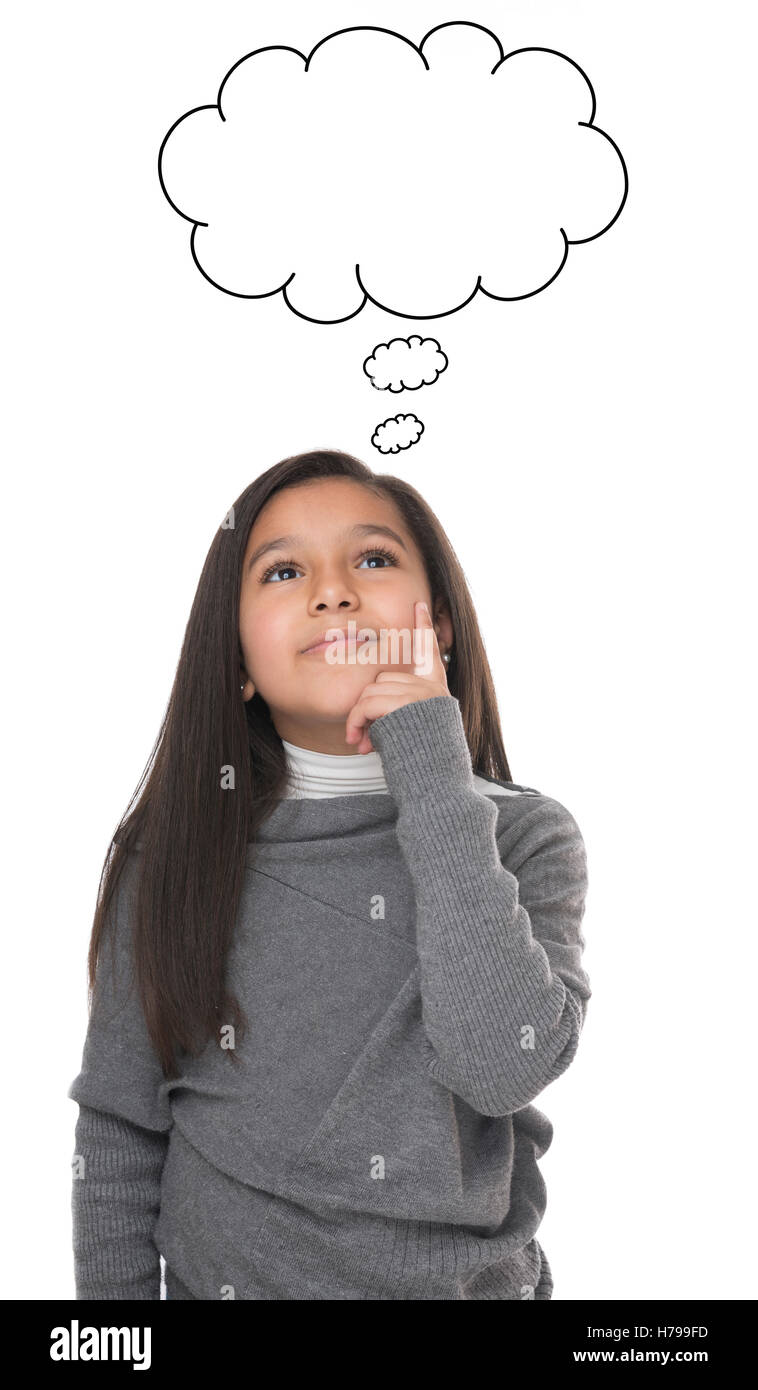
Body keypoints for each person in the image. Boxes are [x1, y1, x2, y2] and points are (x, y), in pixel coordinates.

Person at [68, 447, 591, 1300]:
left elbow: (501, 1064)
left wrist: (429, 758)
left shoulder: (525, 835)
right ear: (236, 661)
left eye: (374, 560)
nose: (333, 590)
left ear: (442, 626)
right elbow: (121, 1128)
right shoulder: (172, 855)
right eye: (283, 571)